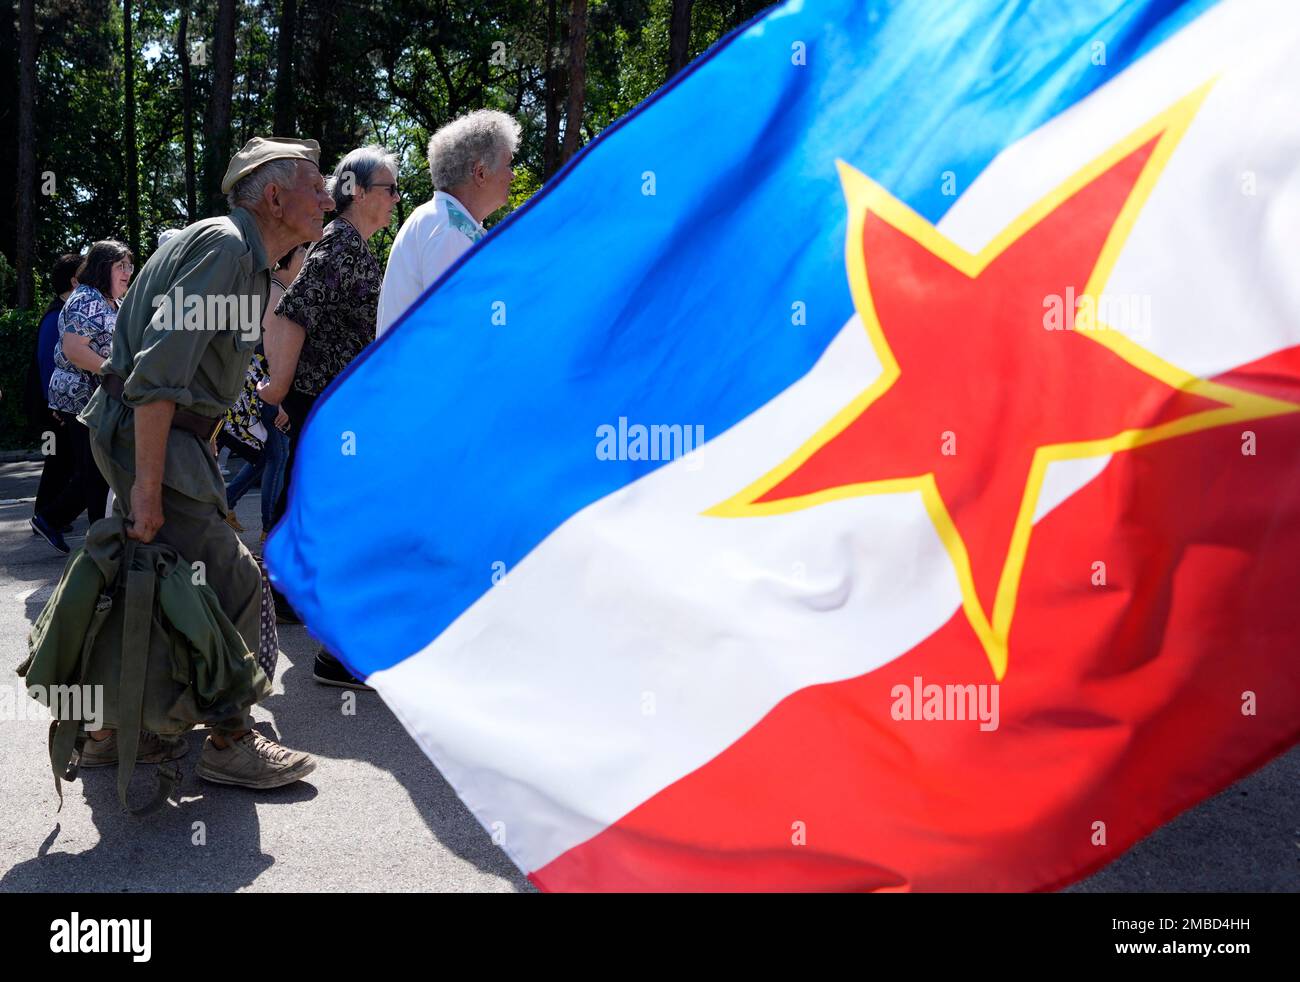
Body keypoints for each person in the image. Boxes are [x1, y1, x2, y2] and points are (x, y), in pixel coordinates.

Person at [77, 137, 333, 787]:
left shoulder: (246, 259)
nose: (328, 195)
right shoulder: (225, 249)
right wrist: (150, 492)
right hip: (145, 426)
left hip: (163, 432)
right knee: (233, 580)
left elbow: (195, 379)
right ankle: (228, 740)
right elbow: (158, 377)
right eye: (316, 183)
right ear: (274, 197)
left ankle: (113, 733)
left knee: (168, 578)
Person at [260, 145, 399, 690]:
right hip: (328, 405)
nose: (394, 199)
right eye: (387, 188)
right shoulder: (339, 246)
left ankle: (296, 607)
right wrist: (281, 390)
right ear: (357, 191)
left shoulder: (352, 247)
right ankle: (338, 651)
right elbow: (292, 314)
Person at [376, 110, 519, 336]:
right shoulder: (449, 230)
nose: (513, 176)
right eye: (508, 164)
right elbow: (457, 334)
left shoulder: (441, 220)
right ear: (480, 173)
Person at [30, 243, 132, 554]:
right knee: (97, 472)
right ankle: (99, 546)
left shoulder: (109, 299)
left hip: (98, 398)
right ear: (103, 268)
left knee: (97, 470)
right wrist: (112, 371)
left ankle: (52, 519)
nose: (129, 272)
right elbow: (75, 350)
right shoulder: (86, 300)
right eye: (122, 266)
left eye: (130, 265)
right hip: (81, 400)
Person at [26, 253, 83, 534]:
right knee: (58, 460)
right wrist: (56, 406)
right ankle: (44, 514)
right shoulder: (55, 317)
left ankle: (51, 514)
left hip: (57, 405)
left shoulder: (62, 311)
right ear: (75, 280)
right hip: (55, 407)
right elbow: (48, 364)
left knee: (63, 460)